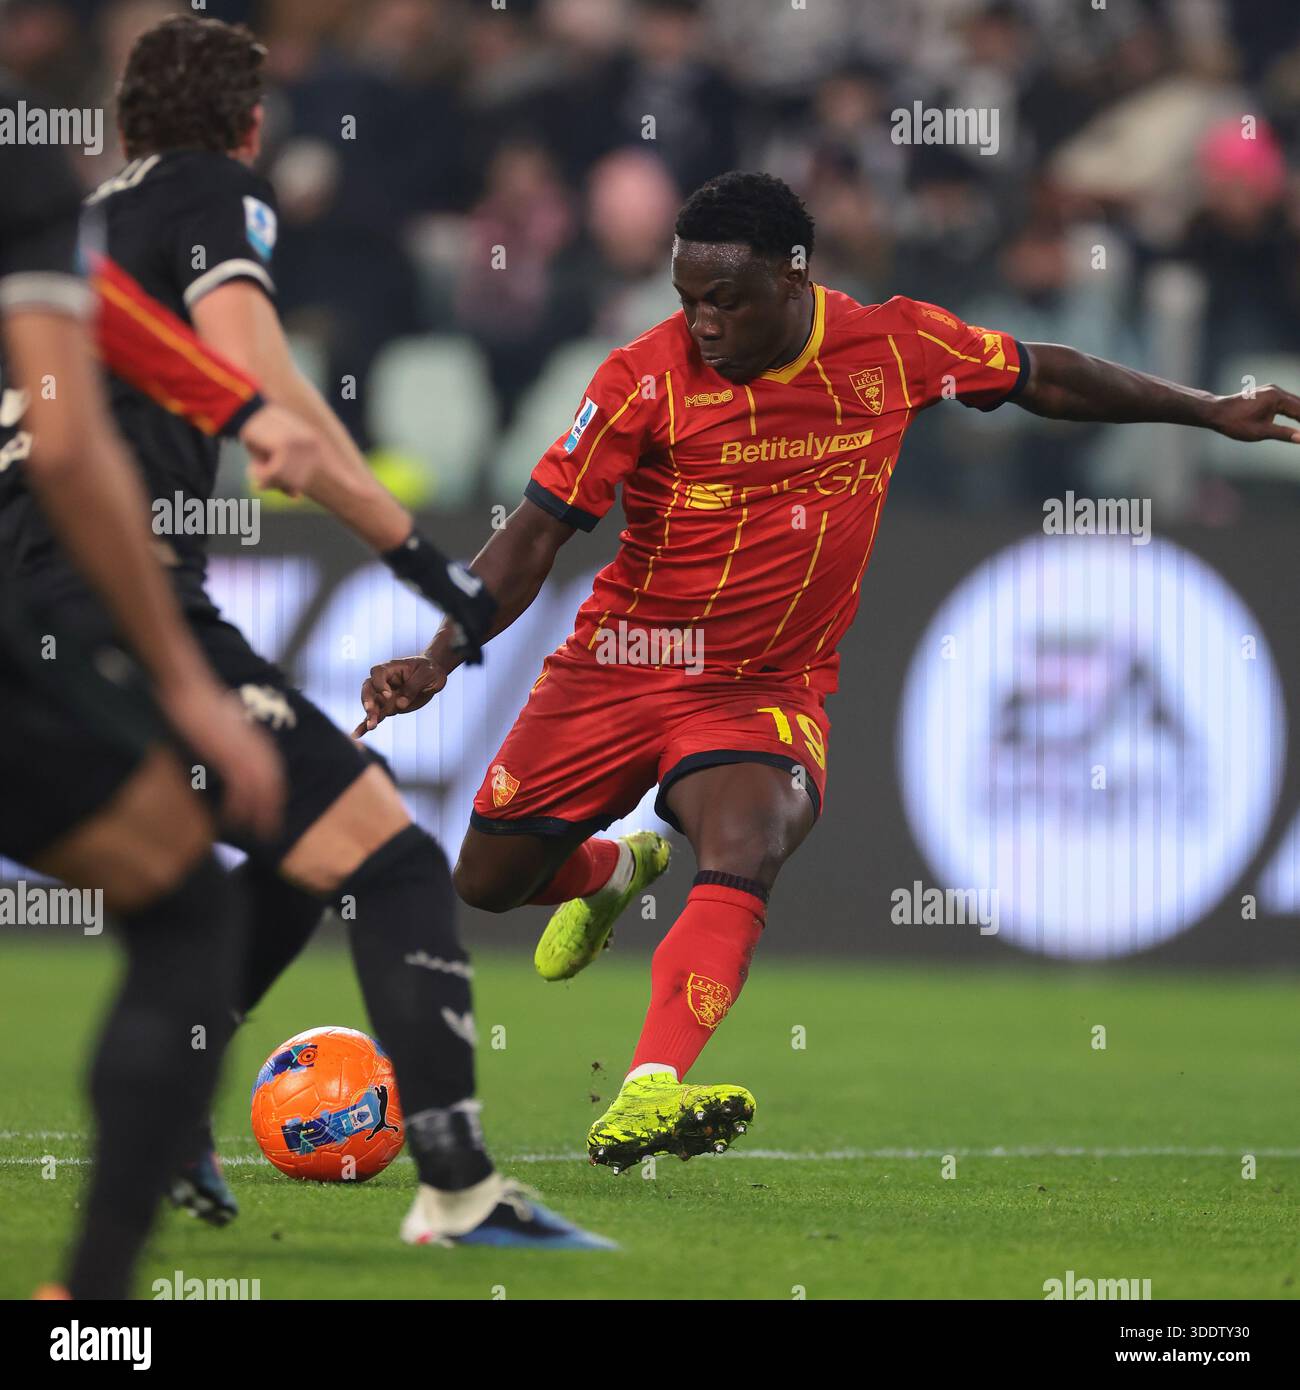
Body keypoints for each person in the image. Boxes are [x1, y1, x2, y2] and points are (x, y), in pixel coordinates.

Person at [358, 170, 1300, 1172]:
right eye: (687, 299)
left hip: (764, 684)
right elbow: (534, 536)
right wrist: (440, 656)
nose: (703, 323)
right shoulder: (640, 376)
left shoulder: (890, 344)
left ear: (794, 277)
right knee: (491, 881)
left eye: (726, 298)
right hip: (621, 663)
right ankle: (617, 867)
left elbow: (1043, 375)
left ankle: (645, 1091)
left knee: (748, 832)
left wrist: (1206, 410)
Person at [19, 13, 609, 1250]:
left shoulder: (74, 218)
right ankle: (456, 1187)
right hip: (105, 595)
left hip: (24, 607)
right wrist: (415, 555)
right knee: (389, 854)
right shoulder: (214, 194)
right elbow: (272, 391)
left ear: (122, 121)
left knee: (257, 861)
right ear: (249, 126)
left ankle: (164, 1145)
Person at [0, 78, 286, 1298]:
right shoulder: (22, 169)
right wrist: (184, 676)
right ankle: (90, 1311)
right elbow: (64, 442)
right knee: (183, 904)